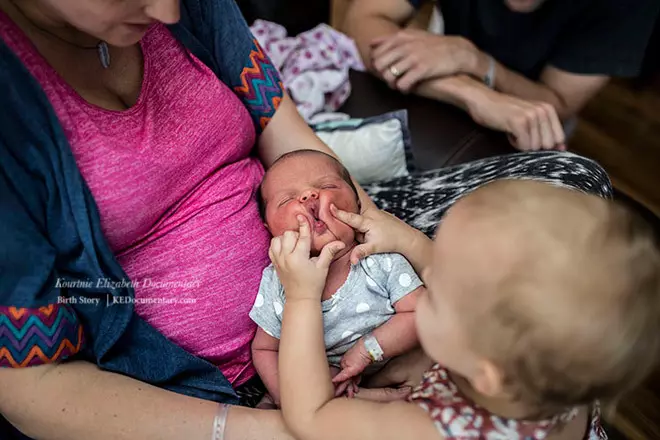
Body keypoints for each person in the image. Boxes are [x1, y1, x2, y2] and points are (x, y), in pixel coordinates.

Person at [0, 0, 613, 438]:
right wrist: (288, 417)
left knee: (570, 186)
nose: (167, 12)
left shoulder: (190, 10)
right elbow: (29, 385)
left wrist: (381, 246)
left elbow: (288, 136)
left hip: (354, 264)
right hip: (226, 381)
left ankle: (543, 377)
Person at [273, 180, 660, 440]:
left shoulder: (428, 431)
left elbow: (311, 416)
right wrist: (406, 237)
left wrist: (302, 297)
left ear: (485, 372)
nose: (426, 272)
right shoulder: (563, 367)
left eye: (437, 292)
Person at [344, 0, 660, 151]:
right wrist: (471, 92)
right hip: (438, 71)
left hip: (530, 110)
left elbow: (557, 102)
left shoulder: (628, 6)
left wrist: (477, 62)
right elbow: (366, 17)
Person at [250, 150, 424, 404]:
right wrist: (284, 396)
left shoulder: (378, 259)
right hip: (322, 389)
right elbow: (264, 349)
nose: (309, 195)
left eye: (327, 185)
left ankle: (376, 395)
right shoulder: (277, 281)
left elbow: (421, 313)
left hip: (392, 366)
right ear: (269, 229)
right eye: (287, 199)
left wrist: (367, 350)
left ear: (356, 203)